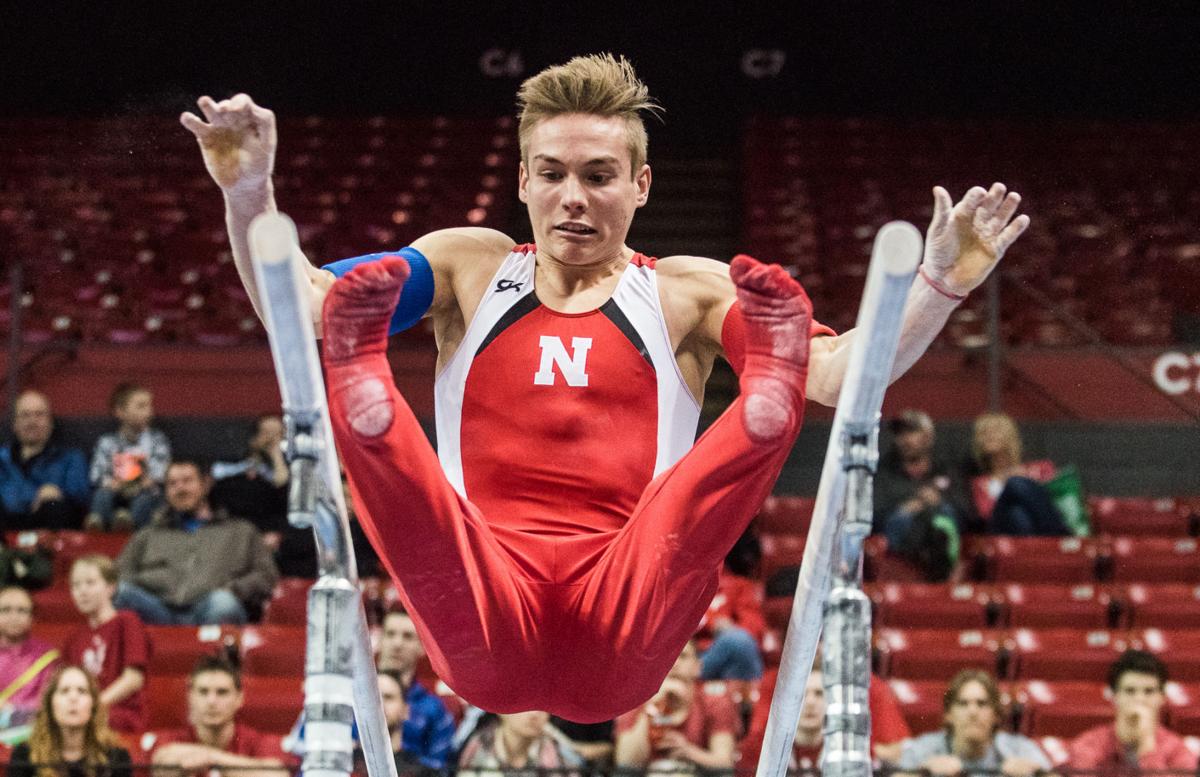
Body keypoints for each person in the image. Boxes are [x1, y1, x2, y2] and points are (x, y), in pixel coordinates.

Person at [182, 54, 1029, 720]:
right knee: (413, 492)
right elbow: (303, 311)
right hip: (485, 592)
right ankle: (369, 409)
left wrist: (936, 285)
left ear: (641, 185)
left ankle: (760, 410)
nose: (572, 199)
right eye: (550, 174)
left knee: (681, 518)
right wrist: (247, 192)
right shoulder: (468, 267)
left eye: (598, 175)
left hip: (624, 605)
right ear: (521, 181)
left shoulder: (687, 292)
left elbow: (843, 378)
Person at [114, 460, 278, 625]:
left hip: (209, 607)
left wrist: (233, 589)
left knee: (223, 602)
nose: (180, 488)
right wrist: (145, 584)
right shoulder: (148, 534)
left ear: (205, 485)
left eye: (187, 481)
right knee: (119, 592)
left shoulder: (242, 531)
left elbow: (266, 575)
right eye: (172, 484)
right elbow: (121, 573)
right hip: (156, 609)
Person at [740, 650, 911, 770]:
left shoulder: (854, 751)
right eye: (801, 695)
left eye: (820, 694)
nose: (810, 702)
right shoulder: (758, 749)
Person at [142, 655, 292, 776]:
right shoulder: (169, 740)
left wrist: (212, 757)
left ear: (239, 698)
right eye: (203, 692)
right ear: (190, 696)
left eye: (222, 692)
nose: (211, 701)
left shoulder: (258, 742)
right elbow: (161, 768)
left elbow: (278, 775)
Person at [614, 640, 739, 773]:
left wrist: (688, 752)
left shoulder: (715, 701)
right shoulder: (636, 700)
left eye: (683, 656)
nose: (674, 664)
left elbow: (725, 764)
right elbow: (626, 763)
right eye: (666, 656)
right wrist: (652, 706)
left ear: (698, 667)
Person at [897, 669, 1049, 777]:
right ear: (949, 714)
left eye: (982, 704)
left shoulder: (1020, 749)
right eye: (963, 704)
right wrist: (923, 773)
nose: (973, 712)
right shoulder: (922, 749)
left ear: (996, 714)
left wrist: (1036, 774)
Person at [874, 409, 969, 581]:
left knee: (942, 514)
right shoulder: (883, 471)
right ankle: (941, 570)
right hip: (901, 533)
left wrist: (935, 502)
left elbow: (966, 511)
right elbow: (875, 514)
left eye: (911, 432)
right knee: (907, 517)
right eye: (900, 434)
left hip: (941, 526)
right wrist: (911, 506)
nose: (904, 439)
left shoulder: (947, 468)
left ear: (928, 436)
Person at [1068, 650, 1198, 773]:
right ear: (1114, 696)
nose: (1139, 699)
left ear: (1162, 698)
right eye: (1130, 691)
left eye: (1149, 691)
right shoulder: (1088, 744)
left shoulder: (1178, 751)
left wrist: (1146, 747)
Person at [62, 555, 150, 735]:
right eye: (76, 585)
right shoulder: (74, 637)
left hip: (120, 716)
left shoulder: (128, 622)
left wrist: (91, 707)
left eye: (90, 583)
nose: (82, 591)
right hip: (83, 716)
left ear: (111, 587)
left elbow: (133, 679)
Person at [5, 665, 132, 777]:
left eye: (82, 691)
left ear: (93, 705)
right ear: (50, 704)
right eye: (64, 691)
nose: (73, 698)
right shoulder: (25, 755)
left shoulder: (116, 757)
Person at [375, 609, 455, 769]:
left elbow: (441, 768)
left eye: (408, 636)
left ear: (423, 647)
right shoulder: (347, 698)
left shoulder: (435, 710)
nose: (397, 644)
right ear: (379, 640)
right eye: (390, 634)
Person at [0, 390, 90, 531]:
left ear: (50, 422)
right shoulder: (2, 459)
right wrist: (35, 494)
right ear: (14, 424)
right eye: (25, 415)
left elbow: (81, 496)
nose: (32, 421)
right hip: (7, 524)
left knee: (54, 505)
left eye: (39, 415)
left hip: (50, 523)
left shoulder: (71, 458)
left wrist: (58, 492)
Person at [85, 383, 171, 531]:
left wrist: (144, 482)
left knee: (145, 499)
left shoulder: (157, 440)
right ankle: (98, 525)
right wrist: (110, 483)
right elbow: (96, 475)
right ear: (120, 411)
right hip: (116, 492)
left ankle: (128, 526)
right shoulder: (107, 442)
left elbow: (161, 472)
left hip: (145, 493)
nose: (149, 412)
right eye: (141, 406)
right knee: (102, 495)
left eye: (150, 406)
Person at [968, 412, 1068, 536]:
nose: (989, 436)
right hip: (1000, 528)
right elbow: (986, 516)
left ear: (1009, 437)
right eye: (983, 433)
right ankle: (1061, 533)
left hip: (1032, 526)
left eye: (995, 431)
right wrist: (1008, 485)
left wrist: (1025, 480)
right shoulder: (980, 483)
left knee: (1018, 513)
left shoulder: (1041, 468)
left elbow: (1055, 500)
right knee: (1014, 484)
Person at [209, 415, 289, 537]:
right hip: (234, 530)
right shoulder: (232, 466)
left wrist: (276, 455)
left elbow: (282, 484)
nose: (272, 440)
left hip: (274, 532)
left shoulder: (289, 467)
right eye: (267, 433)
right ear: (254, 438)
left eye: (279, 434)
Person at [0, 586, 59, 734]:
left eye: (22, 610)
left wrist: (12, 711)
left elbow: (49, 701)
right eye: (6, 610)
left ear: (32, 617)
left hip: (29, 731)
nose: (14, 616)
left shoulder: (47, 656)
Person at [457, 710, 582, 777]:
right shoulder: (480, 746)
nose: (534, 714)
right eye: (523, 707)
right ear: (500, 710)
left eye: (543, 708)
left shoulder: (560, 754)